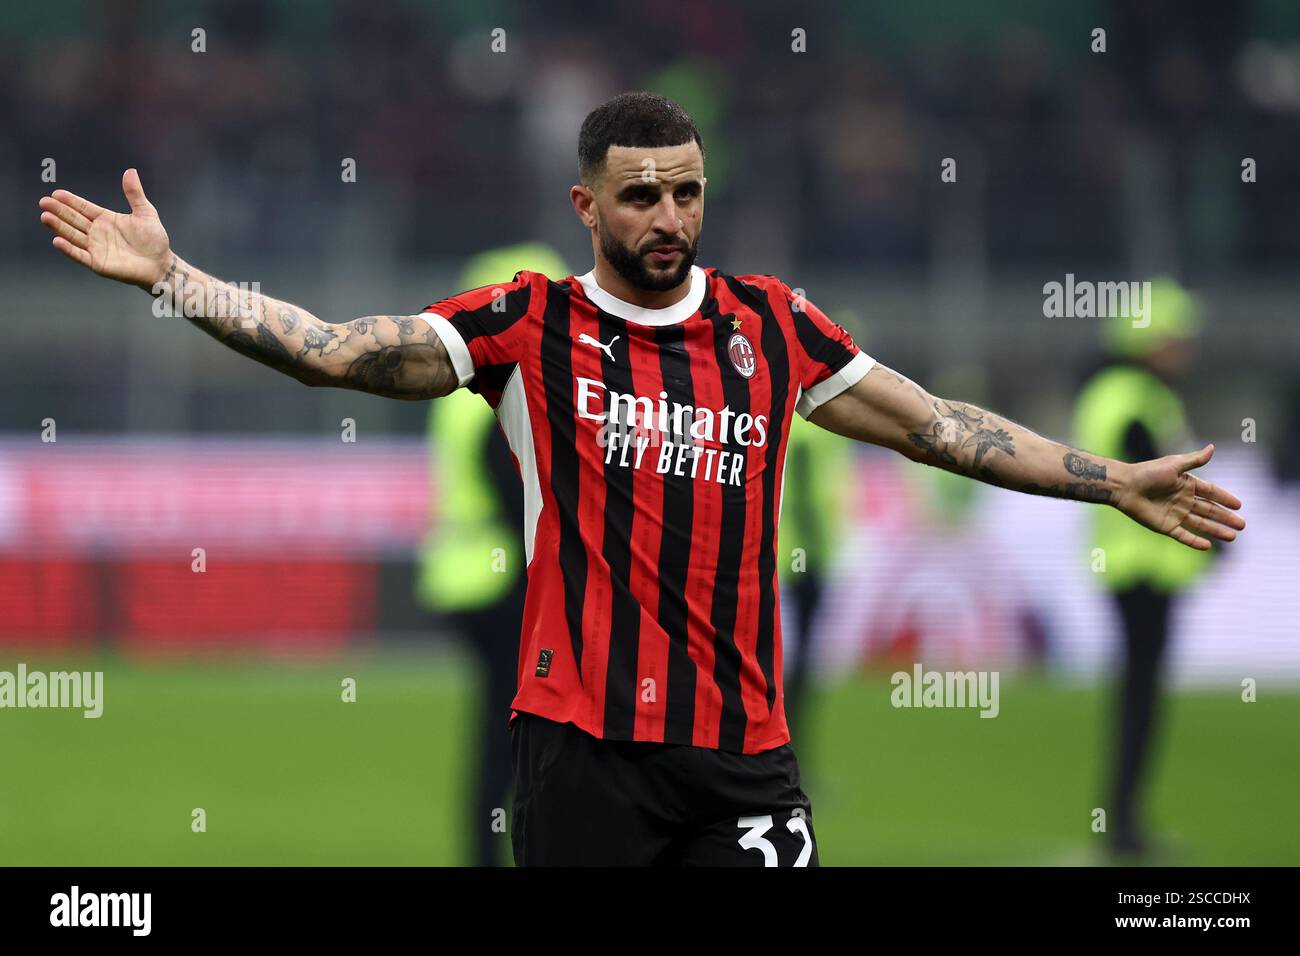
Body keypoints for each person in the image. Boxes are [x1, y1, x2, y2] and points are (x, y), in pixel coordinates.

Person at [37, 91, 1246, 867]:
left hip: (743, 755)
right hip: (579, 752)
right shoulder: (527, 326)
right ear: (587, 205)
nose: (669, 213)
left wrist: (1107, 481)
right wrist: (174, 280)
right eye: (641, 194)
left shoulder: (774, 326)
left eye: (687, 189)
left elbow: (940, 426)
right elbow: (333, 354)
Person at [415, 243, 568, 867]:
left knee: (500, 734)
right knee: (523, 740)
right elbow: (519, 496)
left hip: (463, 577)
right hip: (504, 582)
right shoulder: (507, 395)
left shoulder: (463, 388)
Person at [1072, 277, 1215, 859]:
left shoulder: (1116, 391)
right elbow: (1149, 481)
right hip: (1143, 567)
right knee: (1140, 699)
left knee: (1138, 695)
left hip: (1135, 566)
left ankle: (1124, 819)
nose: (1184, 350)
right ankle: (1123, 823)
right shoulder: (1134, 396)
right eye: (1176, 338)